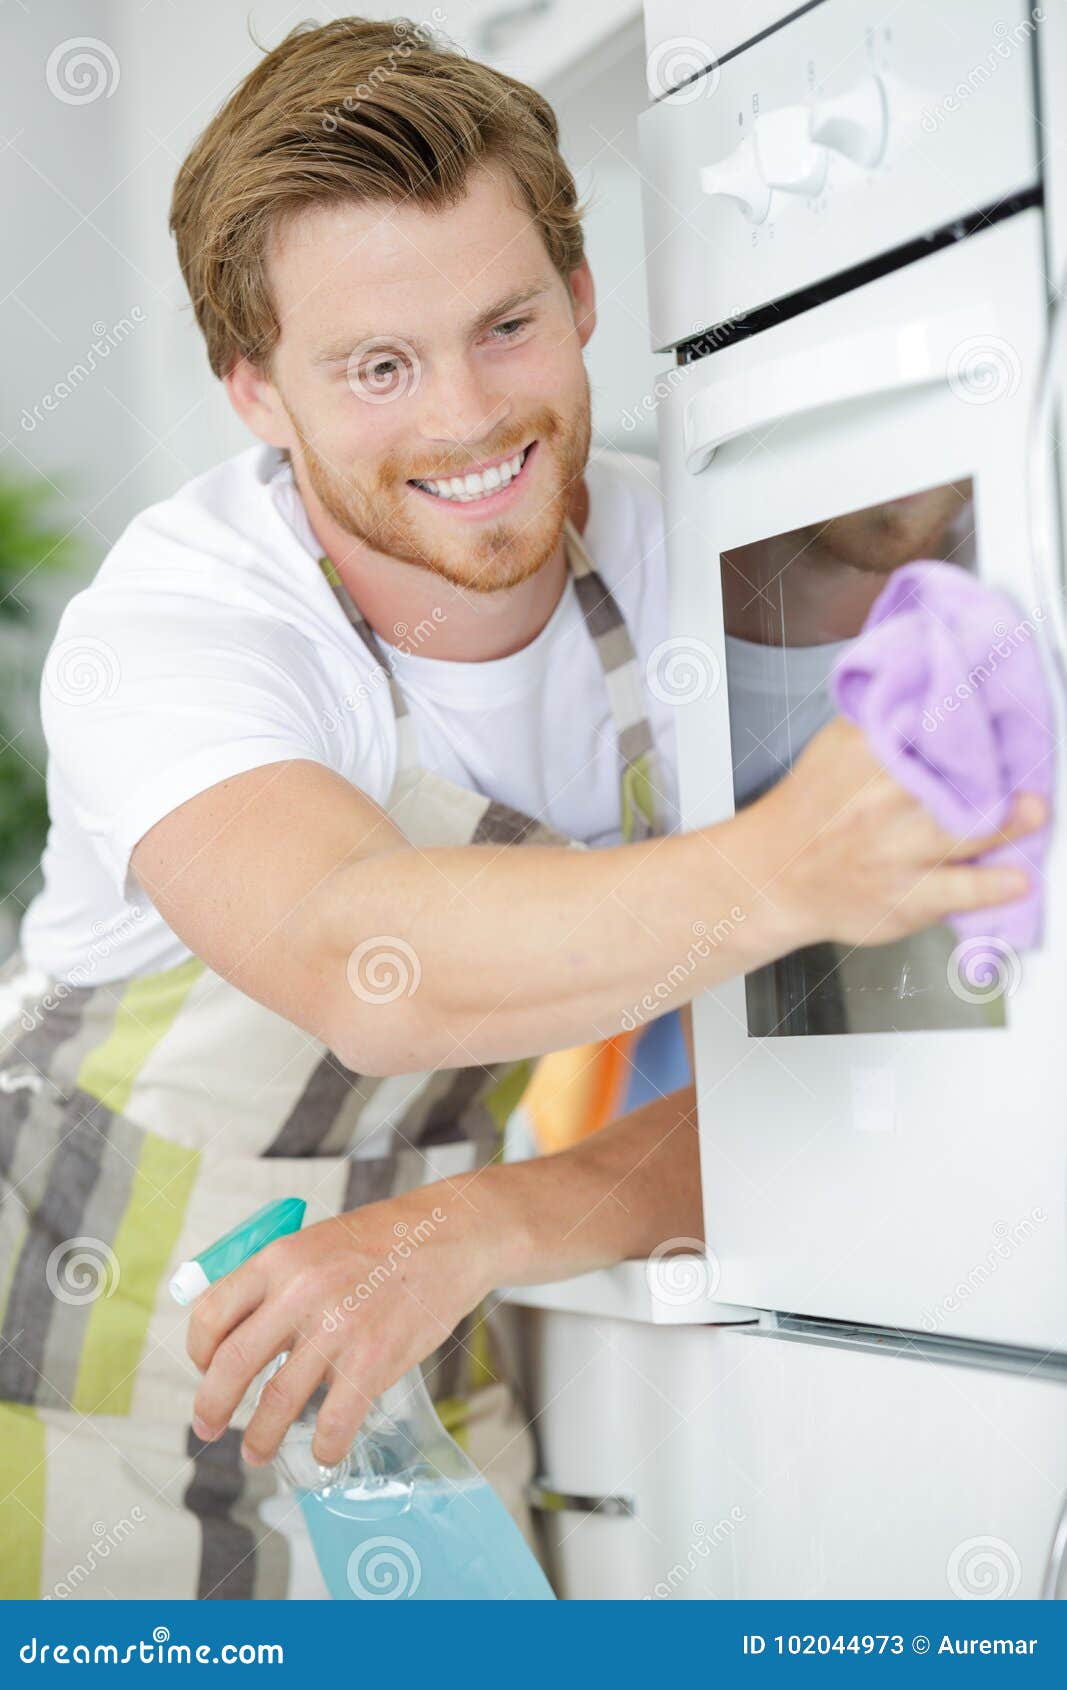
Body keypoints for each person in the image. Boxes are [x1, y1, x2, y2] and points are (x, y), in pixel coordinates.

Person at [0, 19, 1042, 1599]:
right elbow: (368, 965)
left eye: (506, 325)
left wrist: (490, 1221)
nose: (469, 418)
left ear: (584, 300)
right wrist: (796, 861)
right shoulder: (184, 627)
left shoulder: (693, 570)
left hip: (406, 1356)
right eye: (376, 366)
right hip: (51, 1393)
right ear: (255, 394)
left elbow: (826, 1062)